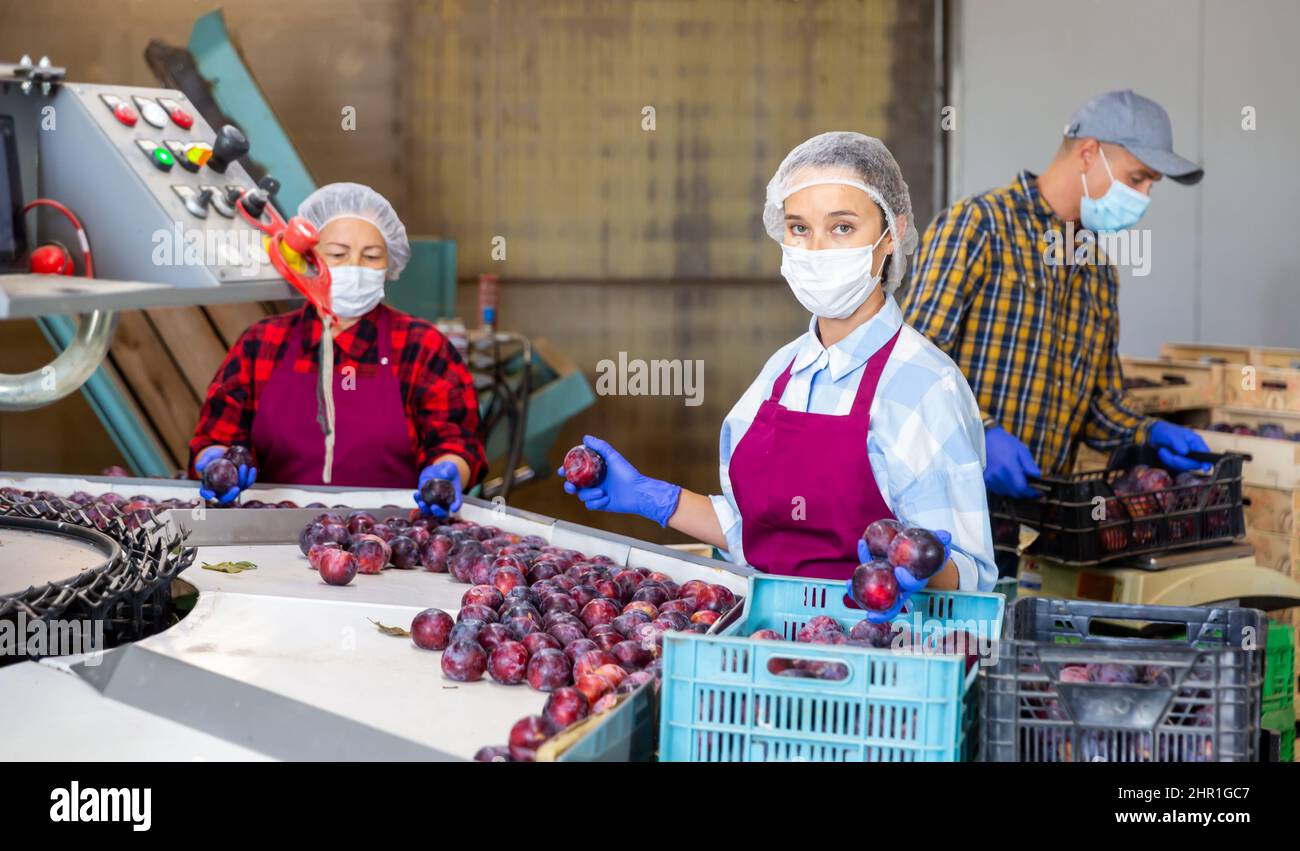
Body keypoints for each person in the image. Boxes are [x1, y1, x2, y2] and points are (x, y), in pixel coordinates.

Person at [561, 132, 998, 612]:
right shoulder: (780, 373)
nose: (816, 249)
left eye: (843, 228)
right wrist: (655, 498)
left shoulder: (925, 385)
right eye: (798, 227)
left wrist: (924, 568)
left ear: (891, 234)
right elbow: (752, 529)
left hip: (880, 659)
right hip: (764, 644)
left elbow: (970, 572)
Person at [904, 90, 1209, 505]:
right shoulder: (980, 225)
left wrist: (1147, 434)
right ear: (1088, 152)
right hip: (947, 510)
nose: (1143, 197)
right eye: (1137, 178)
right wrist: (982, 431)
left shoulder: (1097, 272)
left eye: (1150, 185)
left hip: (1038, 522)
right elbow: (911, 362)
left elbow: (1099, 408)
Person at [188, 182, 486, 515]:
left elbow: (456, 441)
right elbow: (215, 436)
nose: (354, 268)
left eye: (371, 256)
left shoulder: (422, 346)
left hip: (392, 542)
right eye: (338, 254)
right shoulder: (261, 344)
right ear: (309, 258)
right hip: (269, 537)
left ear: (390, 264)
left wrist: (449, 470)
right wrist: (213, 462)